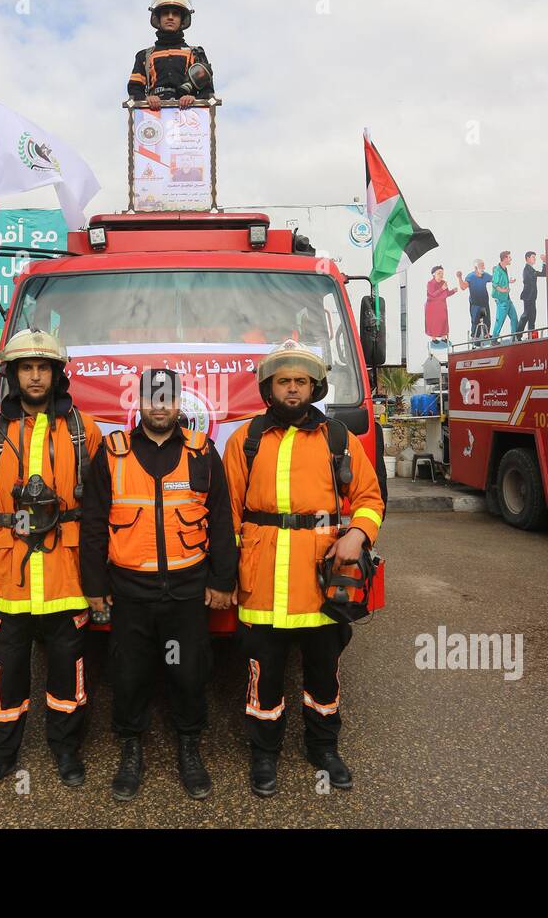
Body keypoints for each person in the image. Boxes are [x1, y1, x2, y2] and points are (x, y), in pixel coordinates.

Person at [222, 341, 385, 798]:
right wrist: (229, 574)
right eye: (283, 382)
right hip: (261, 580)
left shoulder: (338, 438)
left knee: (322, 671)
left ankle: (324, 748)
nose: (293, 389)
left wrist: (357, 535)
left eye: (301, 382)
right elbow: (228, 513)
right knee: (264, 674)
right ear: (268, 389)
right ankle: (263, 753)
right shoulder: (245, 440)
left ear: (314, 387)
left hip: (322, 584)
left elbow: (370, 498)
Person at [81, 368, 237, 801]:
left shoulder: (203, 452)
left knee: (188, 672)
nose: (160, 405)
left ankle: (190, 748)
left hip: (188, 590)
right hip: (130, 591)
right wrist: (94, 586)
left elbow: (222, 520)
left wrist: (223, 579)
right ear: (140, 403)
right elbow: (93, 524)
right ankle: (131, 750)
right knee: (129, 674)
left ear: (178, 403)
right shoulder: (112, 453)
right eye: (152, 397)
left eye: (168, 397)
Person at [0, 328, 103, 801]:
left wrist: (100, 577)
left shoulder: (86, 432)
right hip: (10, 578)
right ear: (13, 374)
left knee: (68, 674)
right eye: (27, 367)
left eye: (43, 367)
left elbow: (101, 510)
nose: (36, 375)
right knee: (7, 672)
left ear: (57, 373)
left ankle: (67, 751)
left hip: (68, 577)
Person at [127, 0, 214, 110]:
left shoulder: (196, 53)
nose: (170, 17)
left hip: (189, 119)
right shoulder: (144, 55)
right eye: (165, 13)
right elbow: (134, 88)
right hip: (153, 118)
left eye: (175, 14)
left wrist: (194, 99)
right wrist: (146, 99)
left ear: (182, 20)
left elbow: (208, 91)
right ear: (158, 19)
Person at [424, 265, 457, 348]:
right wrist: (442, 289)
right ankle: (434, 339)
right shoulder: (430, 283)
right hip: (432, 307)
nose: (441, 275)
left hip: (442, 305)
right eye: (439, 273)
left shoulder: (443, 282)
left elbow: (446, 294)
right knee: (434, 323)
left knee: (443, 321)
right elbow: (433, 294)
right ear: (434, 274)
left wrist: (453, 291)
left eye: (442, 273)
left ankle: (443, 338)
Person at [516, 251, 546, 339]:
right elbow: (531, 277)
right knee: (526, 316)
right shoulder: (527, 269)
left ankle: (531, 336)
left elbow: (543, 274)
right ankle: (517, 335)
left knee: (532, 317)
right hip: (528, 297)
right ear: (528, 258)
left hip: (532, 297)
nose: (535, 259)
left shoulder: (531, 269)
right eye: (533, 257)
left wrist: (544, 262)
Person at [490, 251, 517, 342]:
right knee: (499, 322)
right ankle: (494, 341)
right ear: (505, 258)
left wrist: (509, 281)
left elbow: (502, 280)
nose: (510, 259)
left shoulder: (505, 268)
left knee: (514, 319)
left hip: (507, 299)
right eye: (509, 257)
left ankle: (514, 339)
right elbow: (494, 284)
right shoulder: (497, 270)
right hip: (502, 300)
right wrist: (503, 290)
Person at [464, 259, 492, 341]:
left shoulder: (485, 275)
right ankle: (474, 337)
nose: (484, 267)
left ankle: (486, 335)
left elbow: (494, 279)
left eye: (483, 265)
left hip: (483, 304)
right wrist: (459, 278)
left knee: (485, 319)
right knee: (475, 321)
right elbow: (463, 287)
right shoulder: (470, 276)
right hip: (475, 304)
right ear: (476, 267)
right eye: (482, 266)